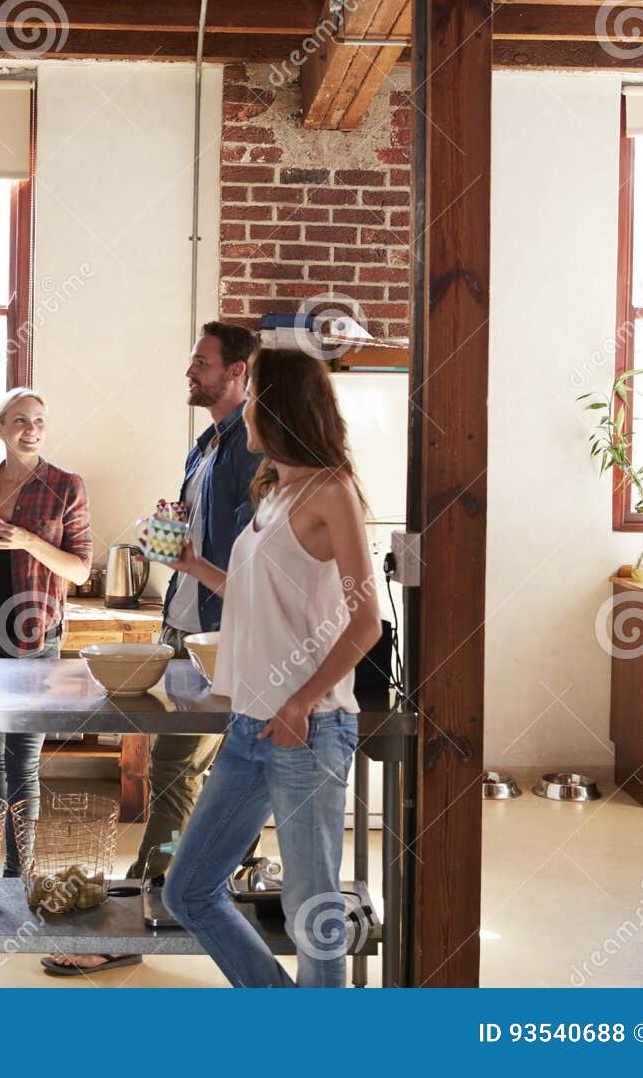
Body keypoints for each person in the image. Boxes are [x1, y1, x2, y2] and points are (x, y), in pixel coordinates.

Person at [44, 321, 262, 979]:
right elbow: (204, 536)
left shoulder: (254, 446)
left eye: (202, 361)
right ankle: (190, 894)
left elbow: (260, 548)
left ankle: (144, 911)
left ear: (239, 372)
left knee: (175, 771)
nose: (189, 370)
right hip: (185, 631)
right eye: (191, 359)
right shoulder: (206, 445)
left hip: (227, 639)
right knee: (195, 773)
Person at [161, 348, 382, 988]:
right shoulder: (277, 490)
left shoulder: (330, 491)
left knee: (313, 916)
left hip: (307, 732)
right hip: (250, 726)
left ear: (281, 407)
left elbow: (364, 619)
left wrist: (302, 700)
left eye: (254, 395)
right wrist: (193, 564)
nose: (245, 406)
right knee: (190, 891)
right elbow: (256, 599)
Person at [0, 388, 92, 876]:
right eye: (19, 420)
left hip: (36, 634)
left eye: (38, 420)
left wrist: (26, 540)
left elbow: (79, 570)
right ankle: (14, 860)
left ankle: (20, 869)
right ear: (0, 428)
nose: (31, 429)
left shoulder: (66, 485)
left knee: (24, 755)